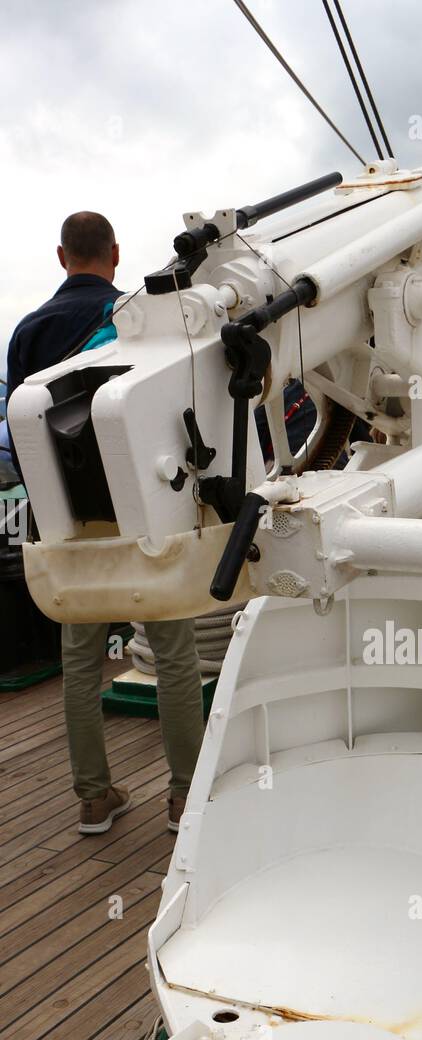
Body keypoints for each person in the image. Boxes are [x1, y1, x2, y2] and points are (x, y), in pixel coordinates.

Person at [6, 212, 204, 834]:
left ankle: (93, 796)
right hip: (140, 504)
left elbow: (22, 427)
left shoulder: (28, 331)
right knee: (173, 653)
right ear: (115, 255)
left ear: (61, 256)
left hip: (66, 515)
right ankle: (183, 797)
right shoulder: (138, 320)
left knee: (80, 656)